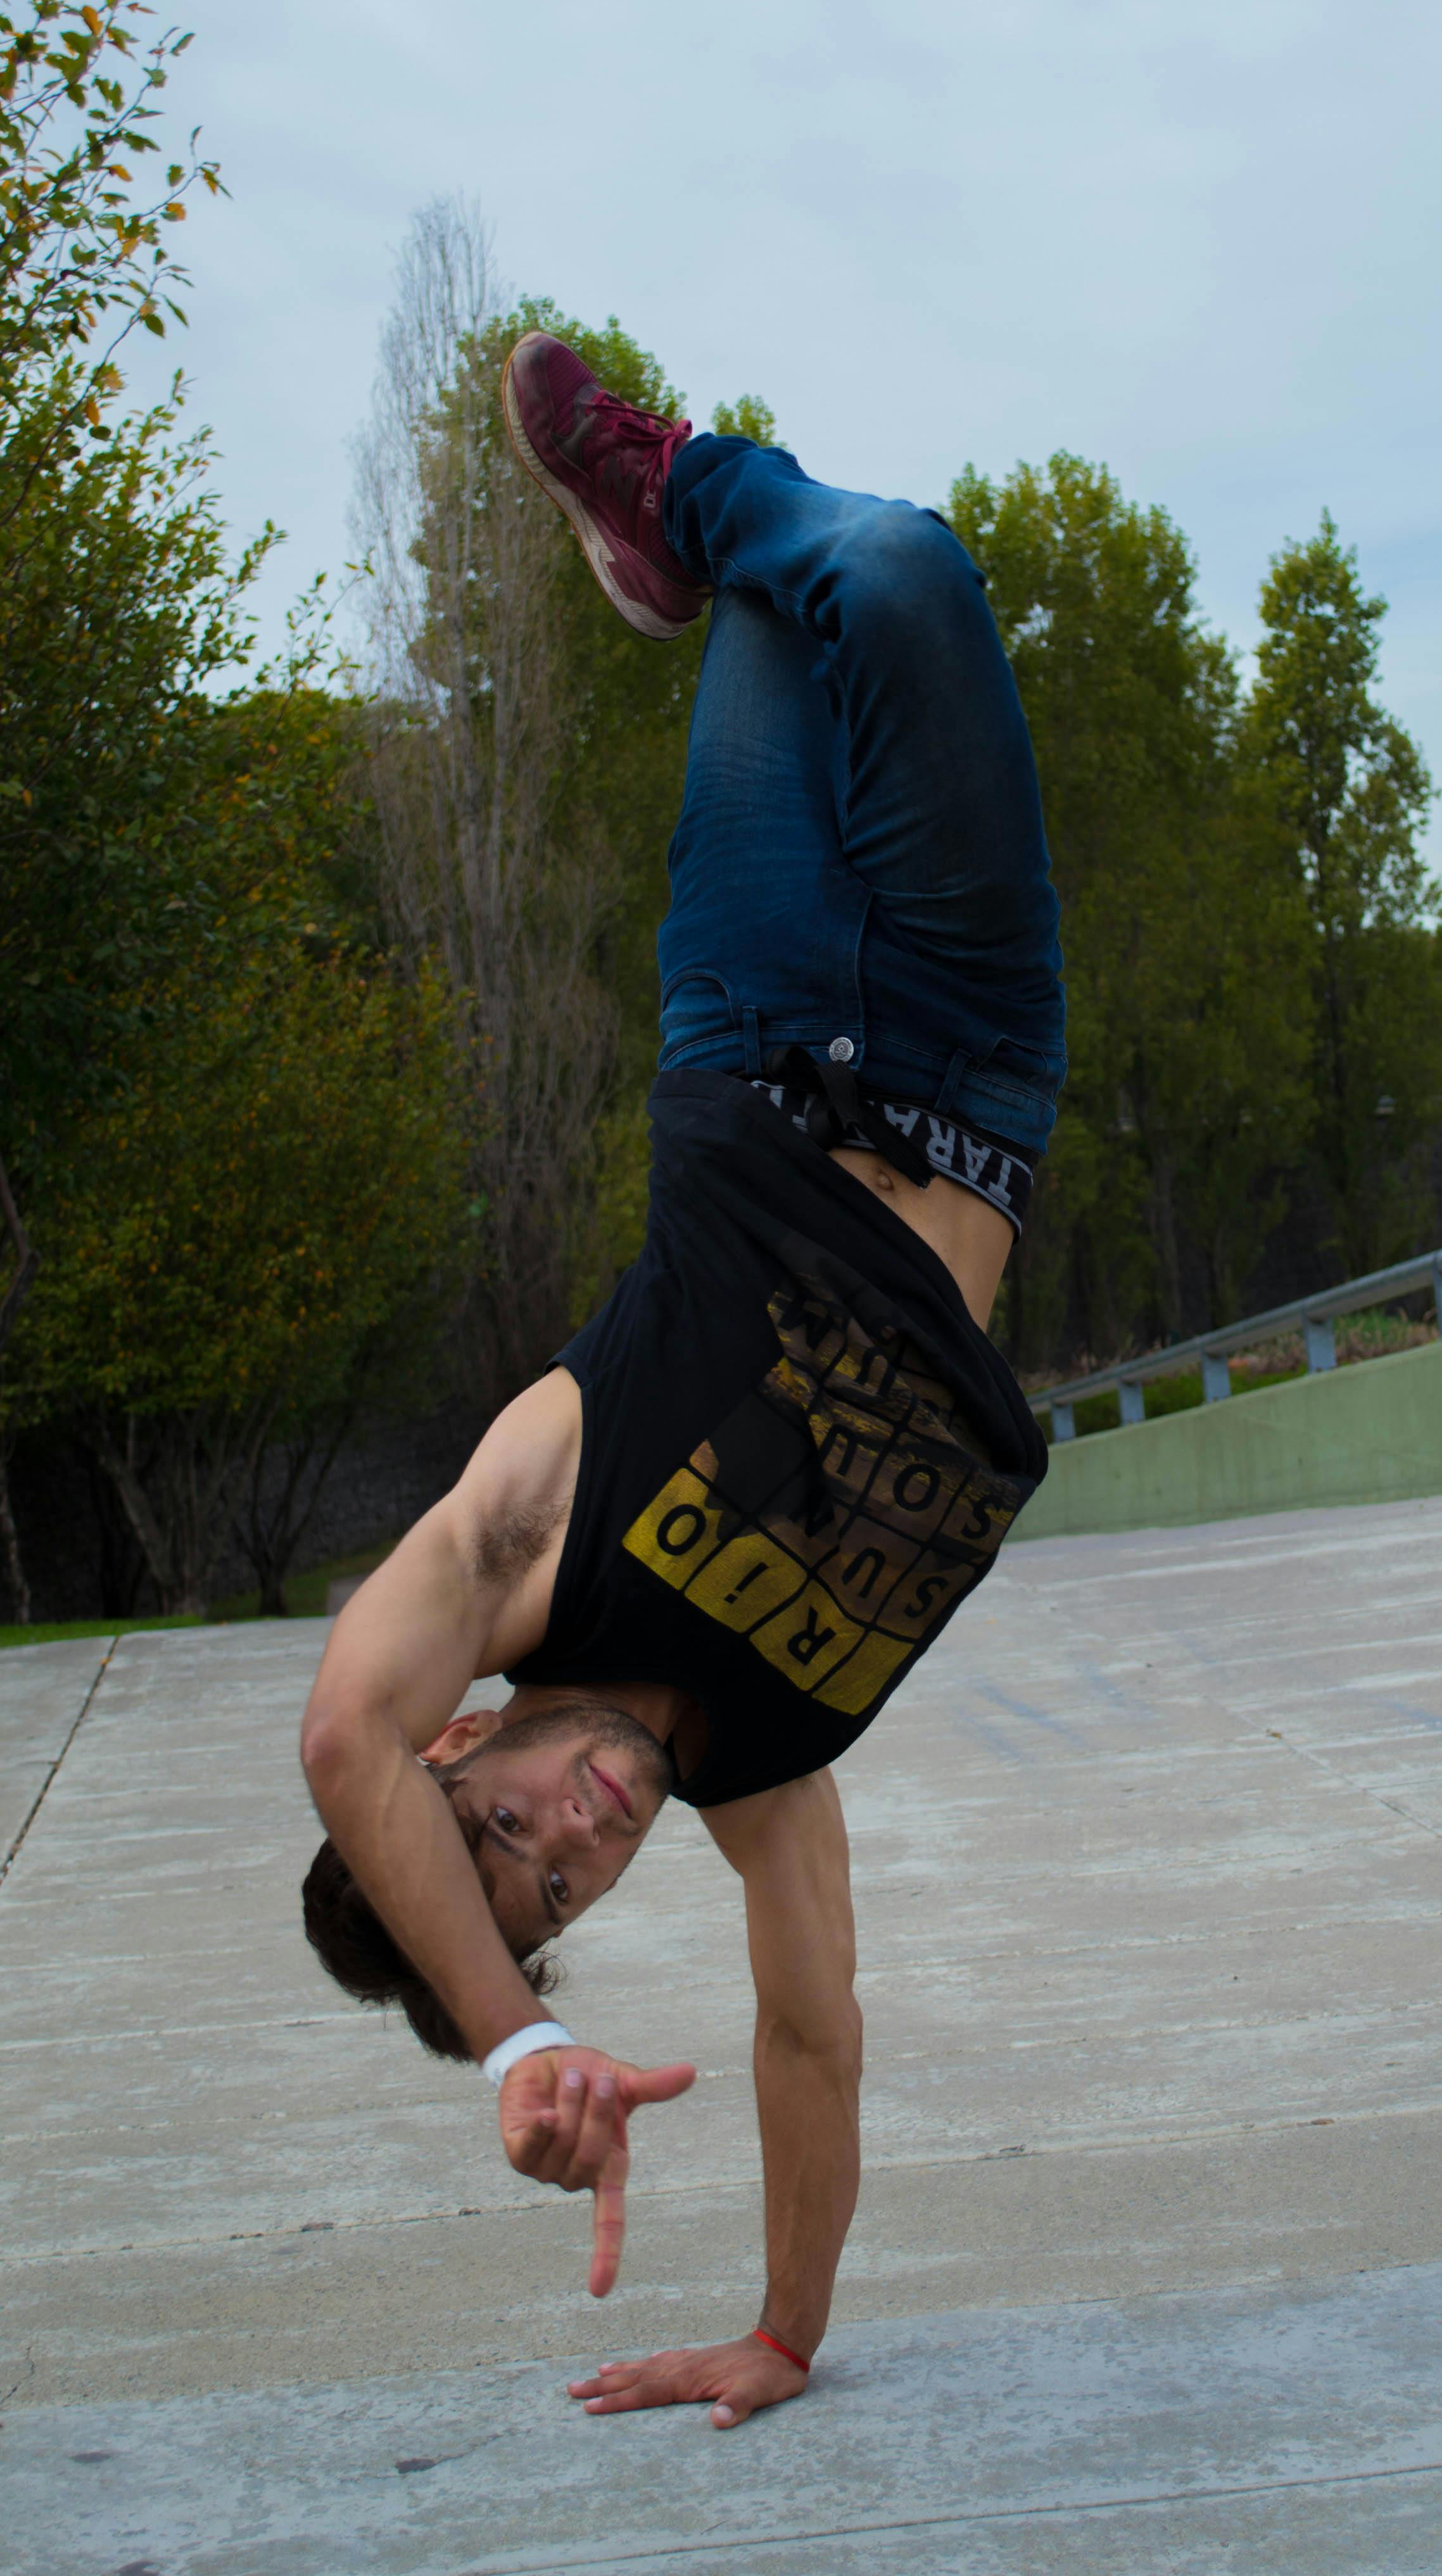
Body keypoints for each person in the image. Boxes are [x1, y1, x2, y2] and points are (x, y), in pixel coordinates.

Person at [298, 334, 1065, 2429]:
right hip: (981, 1058)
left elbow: (335, 1725)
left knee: (858, 573)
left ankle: (664, 495)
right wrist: (787, 2334)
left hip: (761, 1003)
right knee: (870, 576)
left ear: (468, 1737)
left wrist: (515, 2044)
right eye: (559, 1894)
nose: (579, 1836)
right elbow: (813, 2029)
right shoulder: (770, 1749)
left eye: (506, 1823)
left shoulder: (534, 1531)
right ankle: (676, 526)